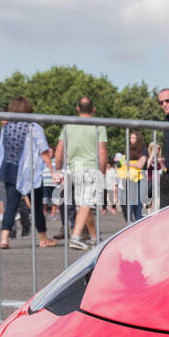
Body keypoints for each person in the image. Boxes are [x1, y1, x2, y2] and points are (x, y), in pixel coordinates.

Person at [0, 97, 55, 249]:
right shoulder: (34, 127)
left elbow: (1, 150)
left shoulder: (6, 127)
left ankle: (4, 238)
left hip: (10, 169)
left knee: (11, 205)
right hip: (30, 171)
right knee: (36, 206)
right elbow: (43, 151)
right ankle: (43, 238)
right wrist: (52, 170)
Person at [54, 96, 109, 249]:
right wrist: (103, 171)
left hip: (74, 169)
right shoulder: (99, 126)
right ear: (94, 109)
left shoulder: (69, 126)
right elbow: (102, 151)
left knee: (84, 206)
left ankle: (94, 237)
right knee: (86, 204)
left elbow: (59, 149)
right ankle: (76, 236)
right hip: (91, 167)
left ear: (77, 108)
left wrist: (57, 168)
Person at [116, 130, 148, 220]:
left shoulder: (143, 150)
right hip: (128, 178)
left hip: (139, 178)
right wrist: (119, 164)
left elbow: (140, 165)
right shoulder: (128, 149)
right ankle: (129, 221)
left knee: (137, 202)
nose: (132, 140)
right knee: (127, 202)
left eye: (134, 138)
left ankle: (138, 220)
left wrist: (127, 163)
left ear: (139, 139)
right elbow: (120, 164)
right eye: (131, 138)